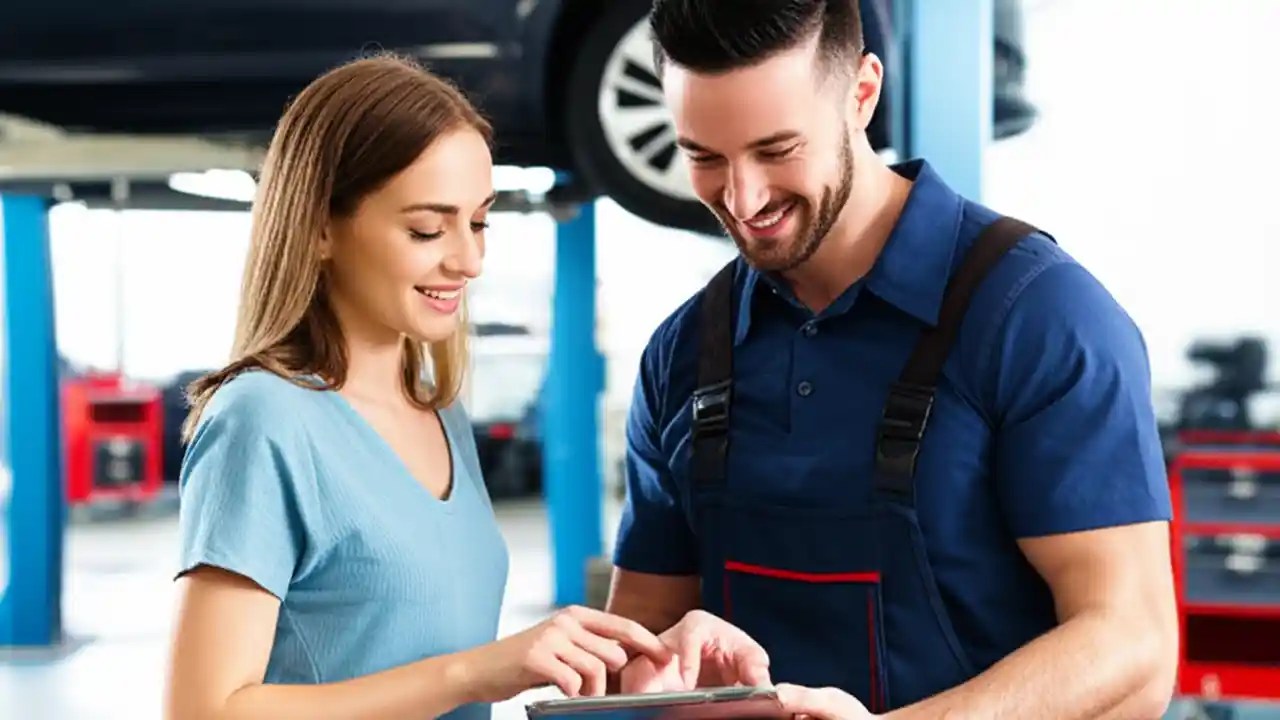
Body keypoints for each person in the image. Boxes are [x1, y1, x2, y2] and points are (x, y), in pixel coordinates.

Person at [608, 1, 1180, 718]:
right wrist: (655, 675)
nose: (742, 197)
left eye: (776, 150)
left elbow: (1133, 647)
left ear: (862, 93)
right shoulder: (684, 351)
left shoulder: (1037, 316)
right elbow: (640, 635)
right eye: (703, 156)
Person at [162, 53, 677, 720]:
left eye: (480, 222)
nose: (469, 259)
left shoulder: (439, 413)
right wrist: (471, 673)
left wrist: (647, 654)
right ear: (320, 226)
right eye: (428, 229)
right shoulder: (263, 420)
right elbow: (204, 711)